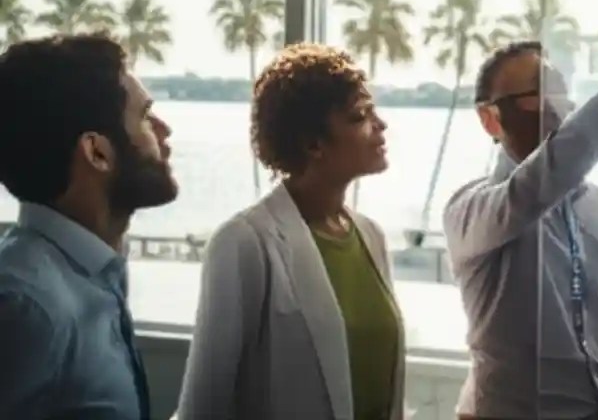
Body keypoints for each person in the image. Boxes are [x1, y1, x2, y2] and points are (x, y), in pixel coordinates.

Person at [444, 0, 598, 420]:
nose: (556, 107)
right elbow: (536, 184)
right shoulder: (473, 210)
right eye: (537, 95)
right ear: (490, 120)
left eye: (560, 91)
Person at [177, 43, 405, 420]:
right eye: (359, 115)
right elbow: (204, 403)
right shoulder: (245, 243)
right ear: (313, 143)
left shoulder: (371, 236)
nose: (380, 125)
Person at [0, 34, 178, 420]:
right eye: (145, 117)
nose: (165, 132)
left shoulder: (94, 272)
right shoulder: (27, 307)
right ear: (97, 152)